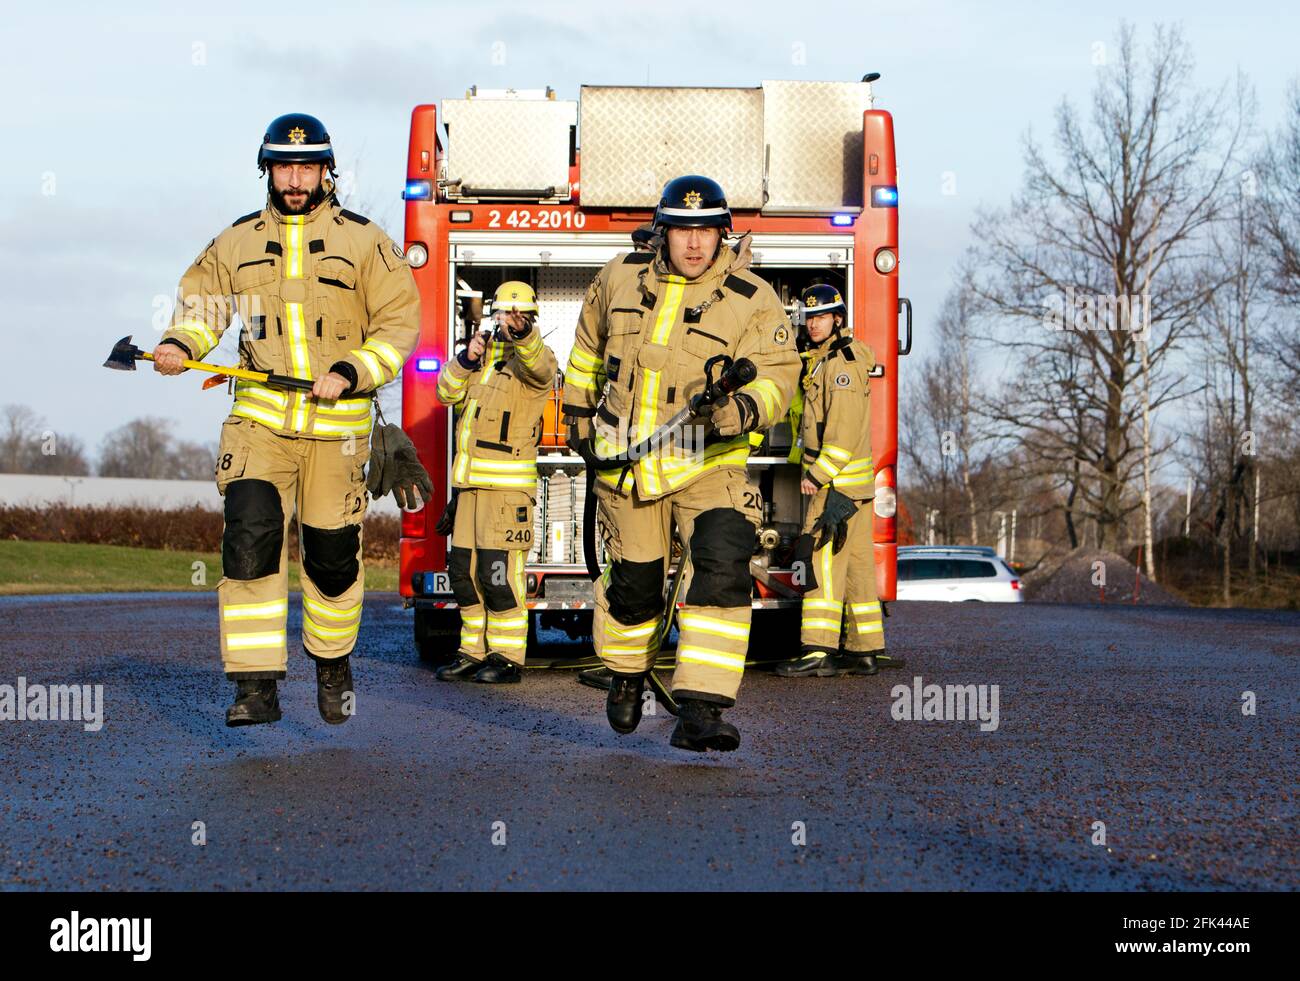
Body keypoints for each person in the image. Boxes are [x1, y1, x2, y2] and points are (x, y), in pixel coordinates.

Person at [151, 113, 421, 726]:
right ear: (267, 171)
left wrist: (353, 370)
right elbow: (201, 305)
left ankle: (331, 661)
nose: (295, 179)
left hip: (338, 433)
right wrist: (180, 344)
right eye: (283, 167)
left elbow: (400, 322)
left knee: (331, 560)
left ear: (327, 172)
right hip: (259, 429)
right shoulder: (236, 241)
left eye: (306, 167)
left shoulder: (366, 241)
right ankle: (255, 686)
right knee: (249, 540)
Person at [563, 175, 800, 752]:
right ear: (662, 232)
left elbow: (779, 375)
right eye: (683, 231)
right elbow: (588, 346)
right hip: (626, 463)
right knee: (635, 589)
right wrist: (575, 413)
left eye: (706, 232)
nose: (694, 245)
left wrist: (742, 408)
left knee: (722, 567)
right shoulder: (617, 277)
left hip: (704, 457)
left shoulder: (752, 298)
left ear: (723, 234)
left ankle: (701, 709)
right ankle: (625, 675)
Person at [433, 281, 558, 683]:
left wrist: (524, 335)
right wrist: (467, 359)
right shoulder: (483, 359)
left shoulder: (535, 361)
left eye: (515, 316)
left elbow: (540, 366)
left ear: (529, 318)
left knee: (498, 575)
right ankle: (472, 651)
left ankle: (506, 656)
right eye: (502, 314)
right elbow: (444, 392)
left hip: (506, 491)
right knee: (463, 575)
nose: (506, 321)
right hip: (469, 489)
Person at [774, 283, 886, 677]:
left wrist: (818, 473)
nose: (814, 324)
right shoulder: (829, 359)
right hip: (853, 487)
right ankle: (864, 649)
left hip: (836, 487)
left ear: (838, 319)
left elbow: (844, 428)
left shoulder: (840, 366)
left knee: (821, 562)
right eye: (809, 317)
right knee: (856, 568)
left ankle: (818, 649)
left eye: (821, 316)